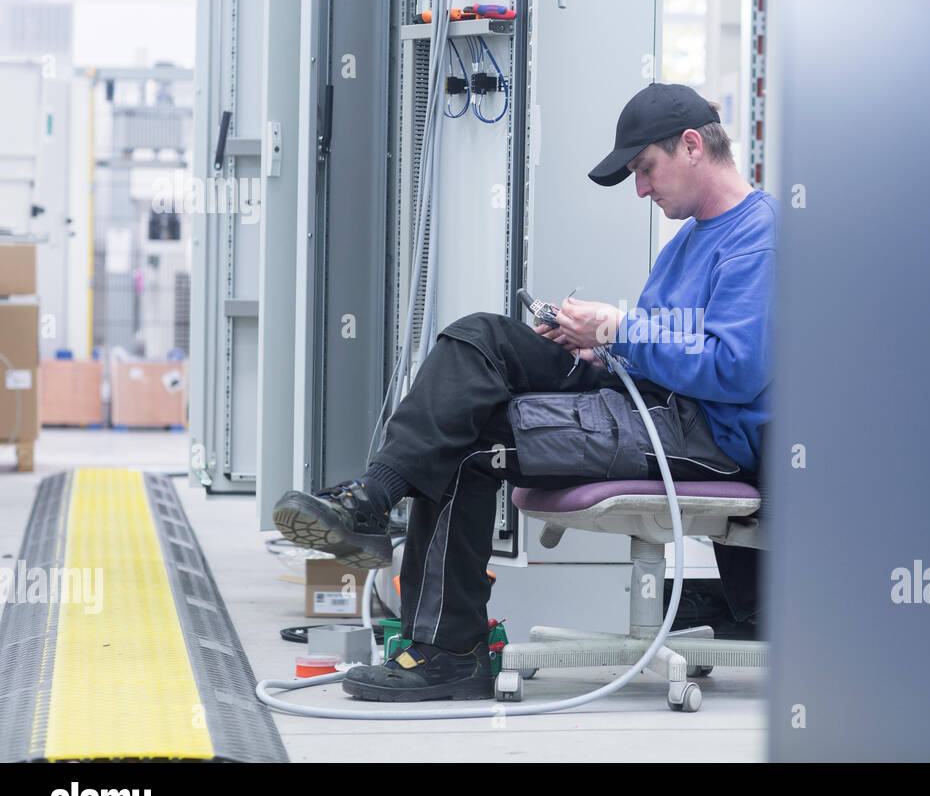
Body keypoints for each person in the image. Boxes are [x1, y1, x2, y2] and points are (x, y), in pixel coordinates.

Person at [273, 82, 777, 702]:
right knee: (481, 335)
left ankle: (444, 645)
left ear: (693, 146)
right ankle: (373, 502)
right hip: (648, 400)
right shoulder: (689, 241)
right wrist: (593, 345)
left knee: (467, 435)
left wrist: (619, 327)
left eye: (645, 169)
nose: (642, 189)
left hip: (698, 430)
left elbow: (736, 369)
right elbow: (667, 345)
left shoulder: (759, 238)